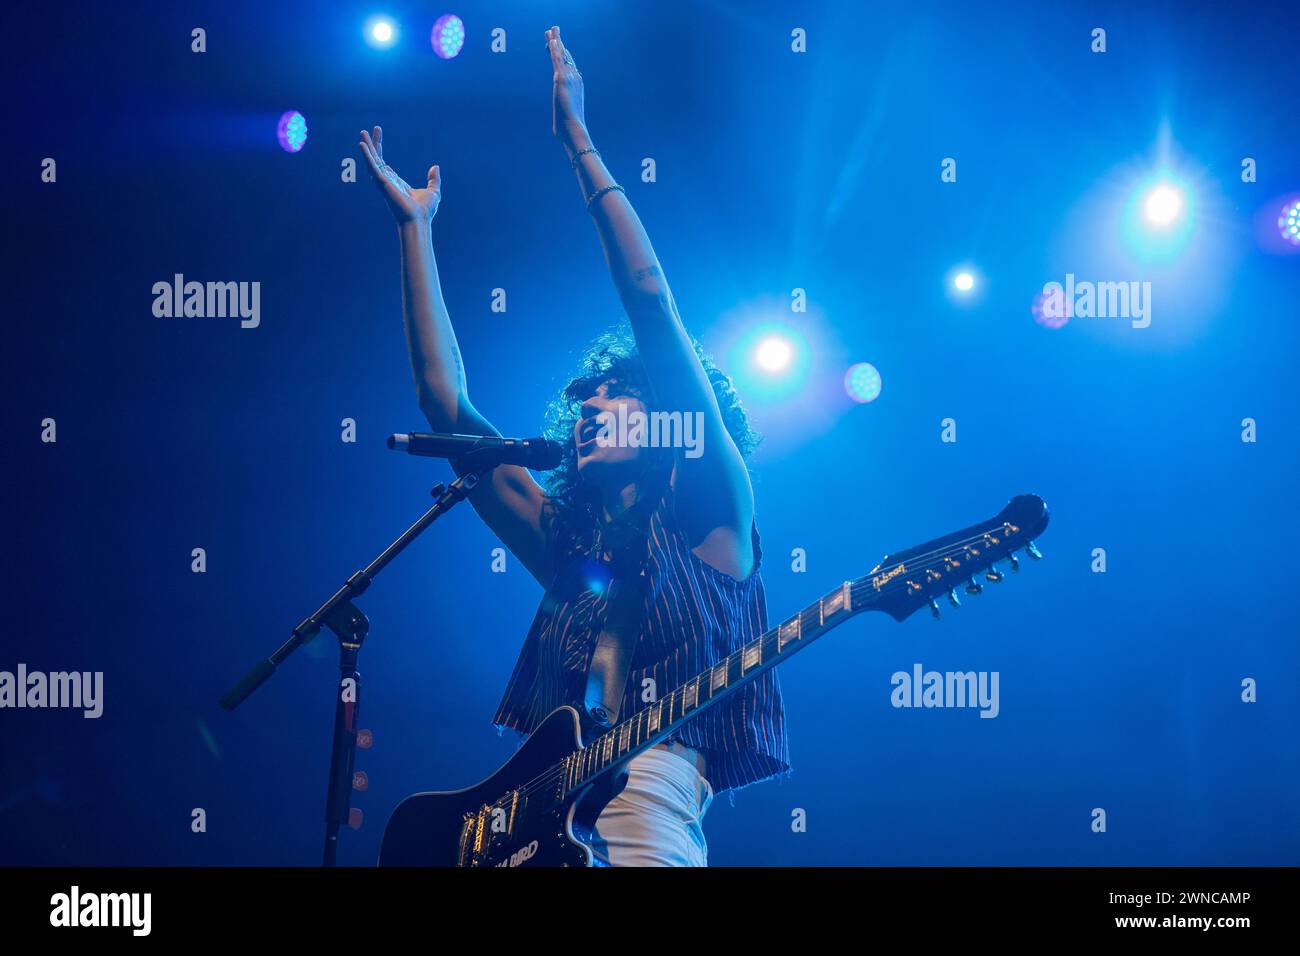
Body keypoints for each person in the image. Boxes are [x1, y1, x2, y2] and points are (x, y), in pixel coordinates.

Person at [358, 25, 788, 866]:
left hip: (641, 822)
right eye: (581, 394)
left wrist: (579, 143)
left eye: (613, 389)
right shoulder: (572, 543)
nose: (589, 401)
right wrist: (417, 230)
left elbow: (654, 305)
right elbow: (446, 405)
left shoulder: (713, 515)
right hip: (533, 834)